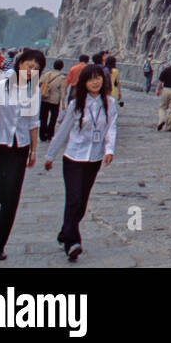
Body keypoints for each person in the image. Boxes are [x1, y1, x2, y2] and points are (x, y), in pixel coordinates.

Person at [0, 49, 44, 260]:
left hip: (19, 149)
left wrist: (33, 150)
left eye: (36, 69)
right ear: (19, 64)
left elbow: (33, 123)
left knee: (11, 199)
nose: (32, 71)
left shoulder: (34, 92)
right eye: (29, 66)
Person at [45, 62, 118, 261]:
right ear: (83, 82)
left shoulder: (109, 103)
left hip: (93, 158)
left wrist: (109, 150)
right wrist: (50, 156)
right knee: (74, 198)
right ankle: (72, 243)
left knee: (82, 203)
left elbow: (111, 128)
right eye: (90, 79)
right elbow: (63, 131)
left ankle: (65, 231)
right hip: (73, 158)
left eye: (98, 78)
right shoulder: (76, 104)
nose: (95, 82)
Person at [38, 60, 66, 142]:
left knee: (43, 118)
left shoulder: (47, 74)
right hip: (55, 101)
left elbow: (39, 84)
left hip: (44, 98)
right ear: (62, 67)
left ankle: (42, 135)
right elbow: (62, 91)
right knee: (53, 119)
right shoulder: (62, 78)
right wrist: (63, 103)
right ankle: (50, 135)